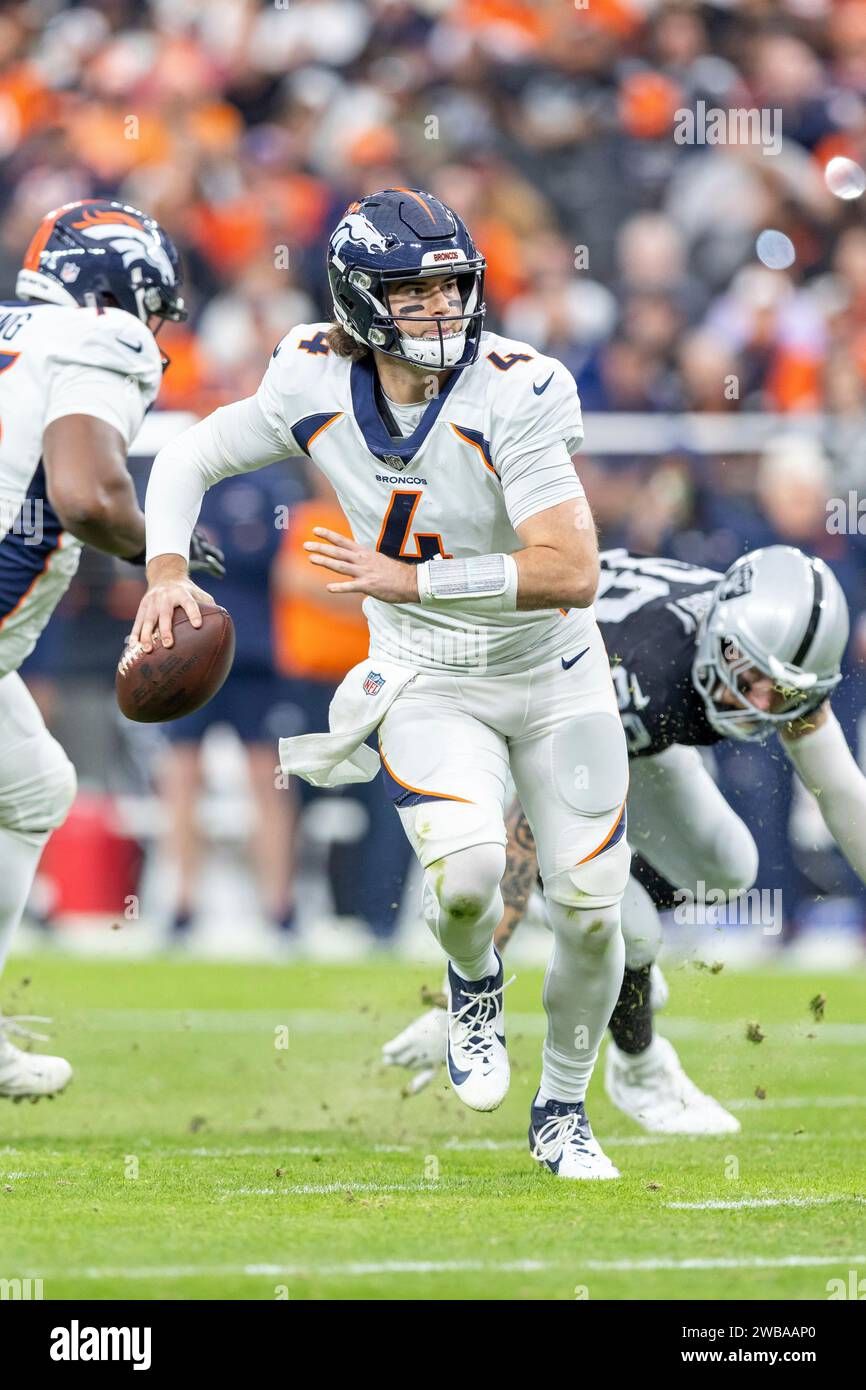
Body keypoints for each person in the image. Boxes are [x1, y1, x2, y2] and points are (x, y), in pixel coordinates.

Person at [132, 188, 632, 1181]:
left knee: (588, 910)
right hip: (427, 673)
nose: (443, 304)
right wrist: (165, 571)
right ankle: (471, 981)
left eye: (453, 281)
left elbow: (573, 569)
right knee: (471, 878)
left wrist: (417, 578)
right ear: (359, 301)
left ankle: (563, 1110)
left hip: (553, 671)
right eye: (415, 289)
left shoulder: (516, 389)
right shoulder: (308, 376)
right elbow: (189, 450)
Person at [383, 546, 866, 1133]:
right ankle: (641, 1067)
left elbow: (842, 794)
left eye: (786, 696)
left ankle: (595, 914)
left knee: (728, 869)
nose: (766, 706)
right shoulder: (641, 667)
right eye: (760, 682)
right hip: (517, 706)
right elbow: (526, 825)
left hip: (636, 732)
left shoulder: (759, 646)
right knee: (626, 927)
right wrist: (458, 1008)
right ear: (727, 642)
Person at [0, 198, 224, 1099]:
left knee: (33, 786)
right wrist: (162, 550)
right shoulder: (100, 339)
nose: (156, 327)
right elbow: (89, 492)